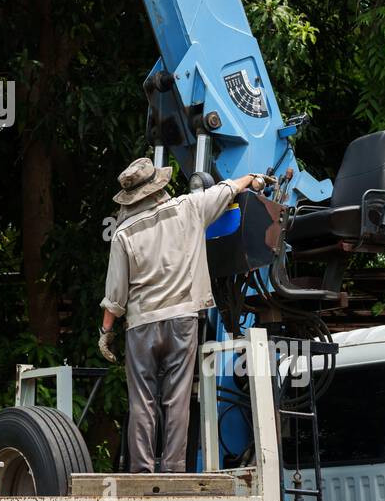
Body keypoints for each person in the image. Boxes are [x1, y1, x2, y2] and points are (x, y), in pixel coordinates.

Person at [98, 156, 267, 474]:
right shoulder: (189, 208)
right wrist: (253, 177)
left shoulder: (123, 234)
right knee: (176, 397)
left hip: (141, 325)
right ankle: (175, 468)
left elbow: (115, 294)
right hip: (183, 320)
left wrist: (106, 332)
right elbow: (227, 188)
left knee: (142, 399)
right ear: (157, 187)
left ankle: (142, 470)